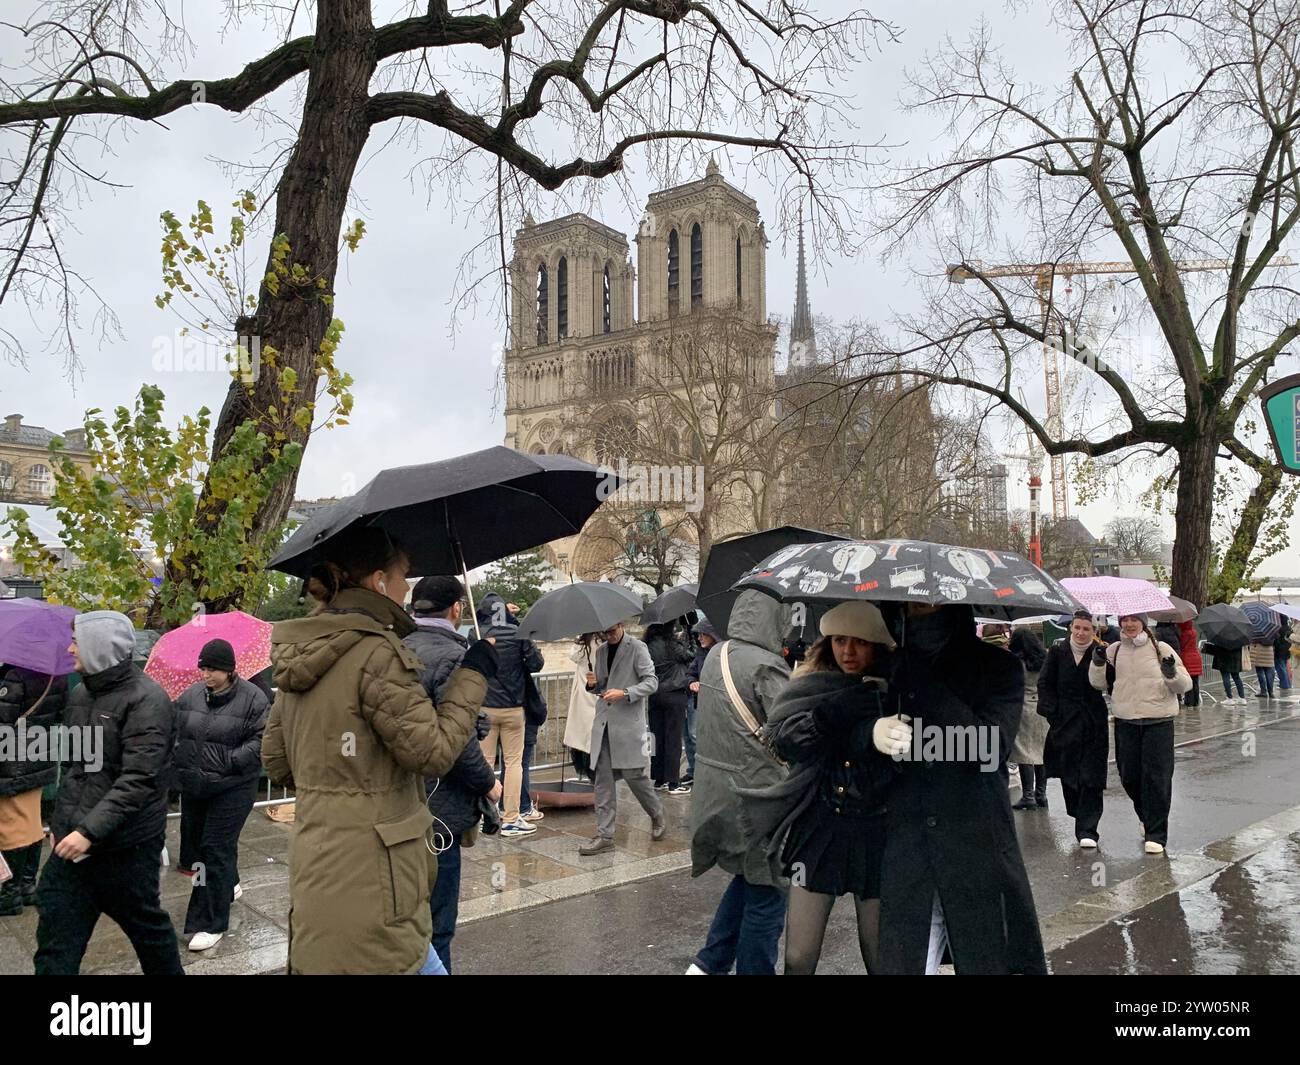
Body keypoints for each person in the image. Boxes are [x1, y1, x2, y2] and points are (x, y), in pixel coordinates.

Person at [262, 527, 495, 975]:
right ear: (377, 581)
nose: (407, 588)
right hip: (379, 879)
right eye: (402, 575)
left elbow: (276, 760)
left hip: (318, 865)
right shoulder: (378, 654)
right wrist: (473, 674)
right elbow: (432, 753)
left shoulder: (297, 658)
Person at [875, 602, 1046, 976]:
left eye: (929, 603)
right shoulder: (885, 668)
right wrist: (870, 733)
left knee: (987, 955)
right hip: (909, 842)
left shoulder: (997, 667)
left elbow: (988, 748)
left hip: (976, 841)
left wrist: (925, 681)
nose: (919, 612)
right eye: (911, 604)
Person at [34, 611, 184, 975]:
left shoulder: (148, 700)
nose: (70, 649)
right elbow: (73, 768)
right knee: (55, 942)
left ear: (100, 647)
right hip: (71, 847)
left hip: (126, 849)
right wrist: (63, 822)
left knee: (149, 934)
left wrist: (89, 832)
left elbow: (138, 779)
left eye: (77, 642)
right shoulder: (81, 693)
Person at [753, 602, 897, 975]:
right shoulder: (811, 685)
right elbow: (784, 742)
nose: (848, 652)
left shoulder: (899, 689)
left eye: (860, 642)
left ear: (878, 644)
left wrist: (877, 724)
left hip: (879, 833)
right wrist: (830, 714)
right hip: (818, 831)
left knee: (881, 953)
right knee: (799, 956)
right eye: (839, 640)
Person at [687, 590, 791, 976]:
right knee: (768, 892)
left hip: (719, 793)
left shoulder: (717, 655)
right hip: (760, 799)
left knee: (748, 878)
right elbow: (792, 734)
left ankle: (708, 963)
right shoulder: (767, 667)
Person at [402, 575, 502, 973]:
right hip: (439, 809)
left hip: (403, 806)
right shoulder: (454, 656)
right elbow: (455, 746)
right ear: (457, 609)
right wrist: (488, 782)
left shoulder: (397, 648)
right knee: (438, 926)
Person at [173, 638, 269, 951]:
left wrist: (230, 761)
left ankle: (209, 922)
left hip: (233, 786)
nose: (206, 674)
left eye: (213, 668)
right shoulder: (190, 695)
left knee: (214, 849)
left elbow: (263, 739)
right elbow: (175, 730)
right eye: (203, 667)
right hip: (198, 785)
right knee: (205, 848)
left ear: (229, 670)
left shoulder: (254, 699)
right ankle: (228, 885)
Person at [1089, 612, 1191, 855]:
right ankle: (1146, 817)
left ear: (1143, 623)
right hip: (1126, 721)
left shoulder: (1161, 648)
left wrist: (1170, 673)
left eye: (1134, 620)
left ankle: (1156, 834)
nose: (1129, 624)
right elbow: (1098, 684)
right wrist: (1098, 662)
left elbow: (1184, 685)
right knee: (1129, 777)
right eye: (1125, 620)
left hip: (1159, 721)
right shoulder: (1113, 649)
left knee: (1157, 779)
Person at [579, 619, 665, 855]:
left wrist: (626, 693)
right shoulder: (601, 651)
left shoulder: (637, 648)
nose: (610, 636)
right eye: (605, 632)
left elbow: (652, 682)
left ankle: (657, 814)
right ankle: (605, 835)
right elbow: (603, 688)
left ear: (621, 624)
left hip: (628, 726)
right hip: (604, 725)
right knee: (603, 782)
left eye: (613, 630)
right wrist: (593, 685)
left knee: (635, 777)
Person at [474, 591, 544, 837]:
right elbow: (536, 664)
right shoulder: (517, 632)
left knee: (483, 763)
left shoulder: (476, 631)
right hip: (513, 708)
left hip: (484, 708)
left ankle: (484, 816)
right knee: (513, 762)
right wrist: (516, 624)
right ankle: (511, 818)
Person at [0, 664, 68, 917]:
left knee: (11, 826)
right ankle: (28, 886)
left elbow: (3, 720)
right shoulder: (56, 674)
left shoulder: (15, 676)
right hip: (40, 754)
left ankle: (9, 893)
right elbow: (61, 714)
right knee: (31, 822)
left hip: (12, 761)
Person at [1038, 610, 1110, 848]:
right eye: (1077, 628)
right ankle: (1079, 814)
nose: (1081, 633)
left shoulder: (1100, 652)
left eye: (1086, 629)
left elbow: (1109, 683)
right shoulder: (1058, 651)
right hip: (1064, 721)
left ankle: (1088, 829)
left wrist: (1102, 662)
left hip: (1092, 722)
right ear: (1071, 628)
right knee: (1070, 775)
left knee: (1091, 776)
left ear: (1093, 631)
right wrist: (1053, 713)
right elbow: (1045, 682)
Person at [644, 620, 694, 794]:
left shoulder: (646, 645)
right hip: (674, 693)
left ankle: (659, 779)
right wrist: (689, 629)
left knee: (657, 738)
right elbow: (691, 654)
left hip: (654, 694)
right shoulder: (672, 644)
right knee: (673, 739)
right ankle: (673, 782)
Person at [1008, 626, 1049, 811]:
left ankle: (1028, 795)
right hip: (1042, 708)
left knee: (1025, 752)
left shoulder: (1016, 662)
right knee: (1041, 752)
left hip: (1024, 709)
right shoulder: (1045, 659)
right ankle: (1041, 794)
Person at [683, 619, 717, 786]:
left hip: (715, 704)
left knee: (697, 736)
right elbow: (690, 673)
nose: (700, 638)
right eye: (698, 635)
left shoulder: (721, 654)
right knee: (690, 736)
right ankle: (694, 771)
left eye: (703, 634)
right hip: (699, 701)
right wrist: (691, 682)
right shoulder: (700, 653)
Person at [563, 633, 601, 781]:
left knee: (584, 735)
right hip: (597, 693)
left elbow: (572, 655)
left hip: (585, 693)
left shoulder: (584, 644)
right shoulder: (603, 642)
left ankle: (588, 771)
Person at [1202, 640, 1247, 706]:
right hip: (1235, 658)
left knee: (1226, 677)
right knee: (1236, 677)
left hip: (1223, 658)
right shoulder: (1238, 636)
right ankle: (1242, 698)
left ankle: (1229, 698)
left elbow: (1217, 648)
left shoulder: (1221, 636)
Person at [1177, 620, 1203, 707]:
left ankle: (1189, 702)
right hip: (1196, 657)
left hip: (1187, 658)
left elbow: (1182, 645)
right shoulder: (1194, 632)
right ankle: (1195, 701)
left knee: (1189, 682)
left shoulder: (1185, 634)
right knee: (1195, 682)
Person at [1274, 624, 1293, 694]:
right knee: (1284, 668)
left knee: (1281, 669)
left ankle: (1284, 685)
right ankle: (1287, 684)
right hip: (1287, 650)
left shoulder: (1278, 628)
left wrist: (1277, 646)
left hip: (1280, 651)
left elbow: (1277, 640)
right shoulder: (1288, 627)